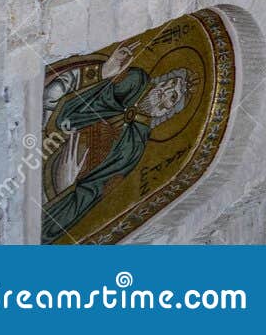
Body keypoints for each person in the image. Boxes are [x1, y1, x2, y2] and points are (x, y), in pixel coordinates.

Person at [42, 44, 194, 242]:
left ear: (167, 111)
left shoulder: (135, 144)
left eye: (172, 97)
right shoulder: (135, 82)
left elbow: (95, 188)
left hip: (55, 179)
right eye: (169, 83)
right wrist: (105, 71)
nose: (164, 91)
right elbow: (81, 101)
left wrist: (68, 181)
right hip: (45, 129)